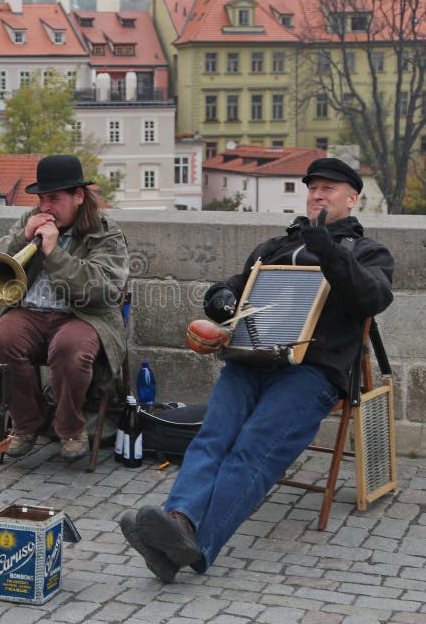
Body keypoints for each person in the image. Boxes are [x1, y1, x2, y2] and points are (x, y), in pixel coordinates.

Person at [120, 157, 394, 583]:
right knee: (212, 438)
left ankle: (194, 545)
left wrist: (327, 249)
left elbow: (370, 300)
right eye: (313, 187)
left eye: (330, 189)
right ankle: (179, 522)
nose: (318, 194)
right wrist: (221, 300)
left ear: (353, 199)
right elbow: (232, 286)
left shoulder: (368, 252)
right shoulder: (276, 247)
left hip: (312, 372)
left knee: (251, 450)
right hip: (251, 359)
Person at [0, 154, 129, 461]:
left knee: (68, 348)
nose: (45, 207)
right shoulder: (29, 221)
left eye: (54, 198)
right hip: (30, 312)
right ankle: (26, 422)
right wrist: (21, 240)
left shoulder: (105, 233)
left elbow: (100, 289)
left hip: (83, 315)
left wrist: (53, 252)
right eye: (41, 198)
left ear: (78, 196)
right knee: (0, 341)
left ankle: (70, 426)